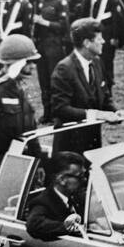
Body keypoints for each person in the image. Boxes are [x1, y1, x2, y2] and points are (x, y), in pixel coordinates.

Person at [0, 34, 41, 190]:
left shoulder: (22, 87)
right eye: (29, 62)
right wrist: (7, 78)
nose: (33, 66)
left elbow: (31, 129)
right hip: (1, 159)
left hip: (24, 156)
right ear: (17, 64)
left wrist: (39, 161)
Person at [50, 18, 116, 153]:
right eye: (99, 39)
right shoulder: (65, 68)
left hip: (93, 142)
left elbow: (104, 96)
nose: (103, 41)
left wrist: (114, 112)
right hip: (71, 146)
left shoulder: (97, 63)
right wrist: (97, 114)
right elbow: (60, 108)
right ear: (87, 43)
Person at [32, 0, 72, 123]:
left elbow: (64, 26)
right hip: (42, 44)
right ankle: (47, 112)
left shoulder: (60, 1)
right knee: (43, 80)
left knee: (54, 80)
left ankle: (57, 114)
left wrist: (44, 22)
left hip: (54, 44)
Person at [25, 151, 92, 241]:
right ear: (62, 180)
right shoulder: (42, 203)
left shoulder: (76, 196)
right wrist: (73, 227)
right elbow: (34, 225)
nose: (84, 179)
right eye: (80, 176)